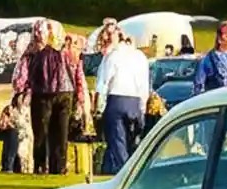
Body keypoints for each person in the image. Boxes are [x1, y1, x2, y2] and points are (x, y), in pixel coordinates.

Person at [26, 21, 84, 174]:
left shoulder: (38, 54)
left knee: (41, 131)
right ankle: (59, 166)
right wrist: (79, 96)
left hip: (44, 93)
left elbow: (32, 76)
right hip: (66, 92)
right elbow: (76, 74)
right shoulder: (68, 54)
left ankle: (40, 165)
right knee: (60, 132)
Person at [96, 33, 150, 174]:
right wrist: (142, 108)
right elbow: (144, 85)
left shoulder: (113, 56)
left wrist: (99, 106)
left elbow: (104, 82)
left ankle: (125, 171)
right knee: (131, 140)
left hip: (117, 100)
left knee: (117, 139)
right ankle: (108, 168)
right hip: (135, 101)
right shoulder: (140, 57)